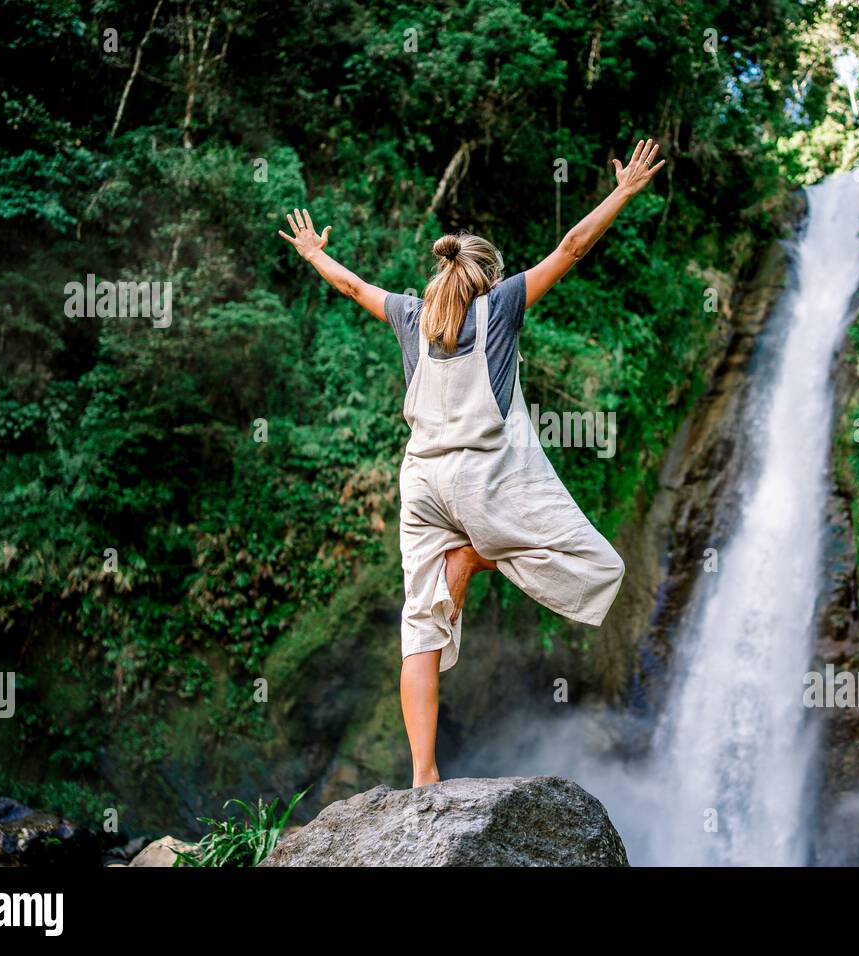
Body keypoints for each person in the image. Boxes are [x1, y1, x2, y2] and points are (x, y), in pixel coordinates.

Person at [279, 138, 666, 787]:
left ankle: (423, 775)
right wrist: (622, 192)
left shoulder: (411, 314)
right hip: (483, 479)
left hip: (421, 483)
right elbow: (570, 249)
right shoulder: (502, 306)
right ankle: (475, 555)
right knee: (596, 562)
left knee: (420, 627)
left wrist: (316, 252)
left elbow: (349, 286)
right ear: (488, 275)